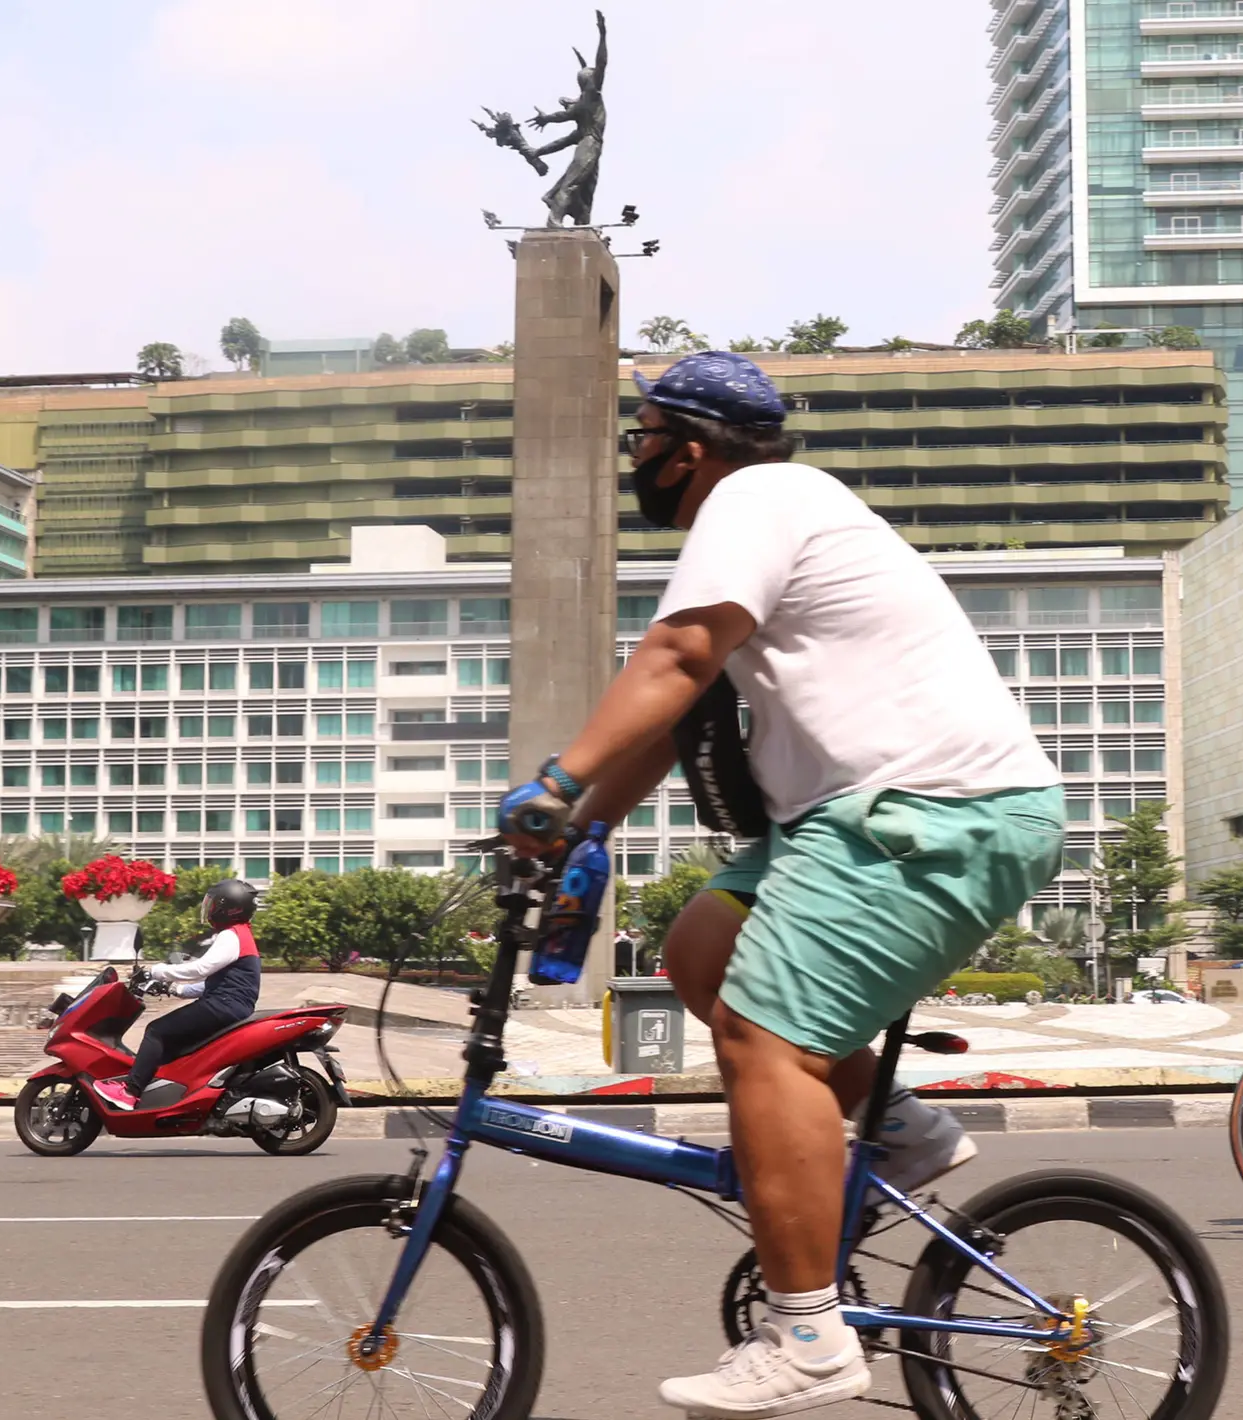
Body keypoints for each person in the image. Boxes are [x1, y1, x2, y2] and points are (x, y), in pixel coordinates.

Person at [499, 352, 1064, 1416]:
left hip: (930, 811)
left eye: (644, 439)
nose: (639, 460)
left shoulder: (757, 496)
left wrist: (552, 781)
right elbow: (677, 716)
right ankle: (898, 1125)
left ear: (693, 448)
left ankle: (807, 1334)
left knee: (762, 1037)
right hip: (859, 819)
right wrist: (574, 827)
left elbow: (674, 655)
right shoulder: (767, 524)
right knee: (699, 949)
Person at [92, 880, 260, 1111]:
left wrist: (157, 971)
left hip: (223, 1005)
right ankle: (162, 1092)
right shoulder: (241, 935)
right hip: (228, 1004)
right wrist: (174, 989)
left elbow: (201, 969)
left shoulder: (232, 935)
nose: (209, 909)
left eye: (213, 904)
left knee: (156, 1031)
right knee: (172, 1044)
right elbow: (212, 983)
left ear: (229, 907)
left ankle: (130, 1092)